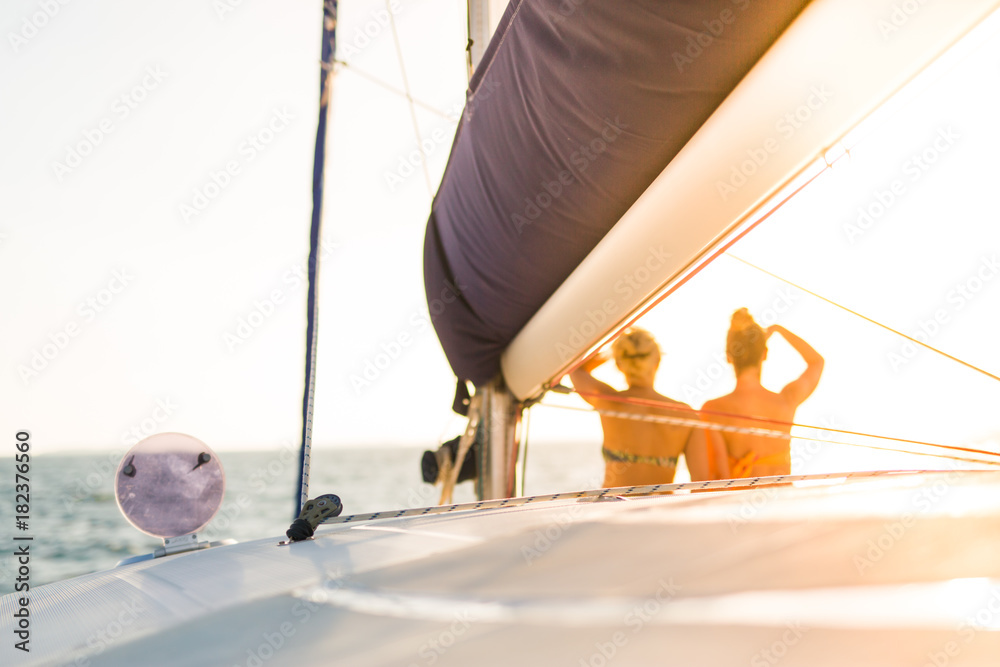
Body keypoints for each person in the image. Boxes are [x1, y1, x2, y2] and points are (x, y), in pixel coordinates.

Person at [569, 328, 722, 487]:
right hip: (659, 509)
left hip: (613, 508)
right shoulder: (686, 416)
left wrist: (611, 351)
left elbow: (575, 369)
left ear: (619, 365)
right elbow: (701, 485)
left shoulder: (607, 401)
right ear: (657, 362)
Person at [701, 308, 824, 478]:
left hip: (738, 502)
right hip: (786, 501)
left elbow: (719, 475)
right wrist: (778, 329)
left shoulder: (713, 409)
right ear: (765, 354)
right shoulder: (786, 400)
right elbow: (816, 362)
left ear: (729, 356)